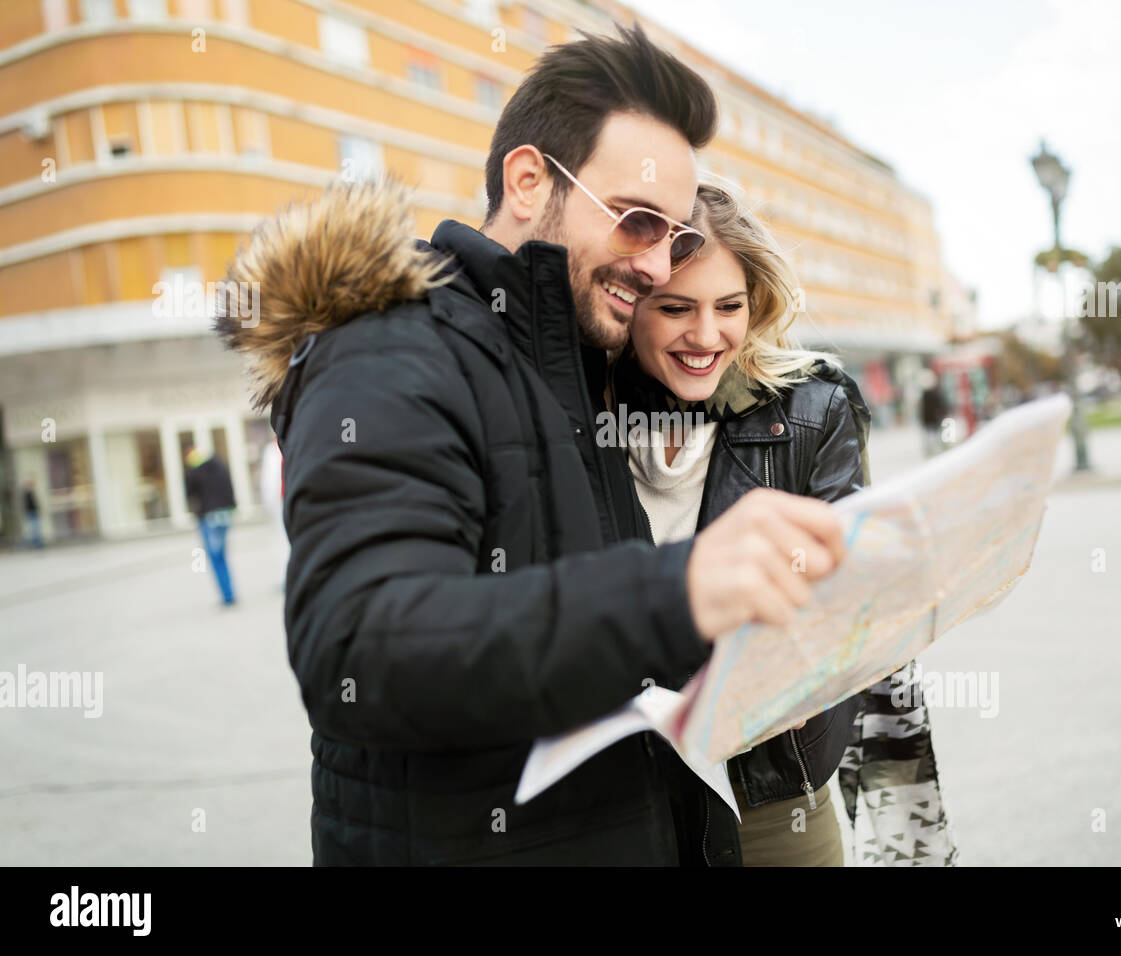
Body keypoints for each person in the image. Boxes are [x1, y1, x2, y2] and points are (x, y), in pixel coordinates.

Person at [215, 24, 846, 866]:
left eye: (677, 237)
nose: (660, 265)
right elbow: (358, 647)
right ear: (527, 180)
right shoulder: (389, 347)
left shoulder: (577, 368)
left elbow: (570, 624)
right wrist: (678, 589)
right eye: (635, 222)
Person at [616, 181, 958, 866]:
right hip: (623, 801)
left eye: (730, 306)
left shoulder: (813, 409)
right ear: (631, 306)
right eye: (676, 308)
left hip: (771, 798)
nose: (706, 336)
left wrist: (811, 665)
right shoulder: (571, 415)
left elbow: (854, 603)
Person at [183, 445, 237, 606]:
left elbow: (190, 495)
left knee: (216, 558)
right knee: (222, 555)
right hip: (225, 515)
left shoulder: (194, 472)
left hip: (208, 518)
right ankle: (229, 593)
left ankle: (227, 595)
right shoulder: (220, 466)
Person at [258, 437, 289, 588]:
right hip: (289, 498)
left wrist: (270, 506)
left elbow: (269, 483)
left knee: (282, 539)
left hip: (281, 501)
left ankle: (286, 575)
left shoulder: (272, 452)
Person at [920, 367, 948, 457]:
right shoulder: (929, 393)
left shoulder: (930, 393)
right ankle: (934, 449)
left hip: (932, 419)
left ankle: (934, 449)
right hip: (931, 419)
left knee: (933, 436)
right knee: (932, 436)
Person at [22, 477, 43, 549]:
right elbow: (29, 505)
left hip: (33, 512)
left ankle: (37, 543)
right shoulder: (28, 494)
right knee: (35, 528)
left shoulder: (30, 493)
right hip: (32, 513)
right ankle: (36, 543)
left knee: (35, 528)